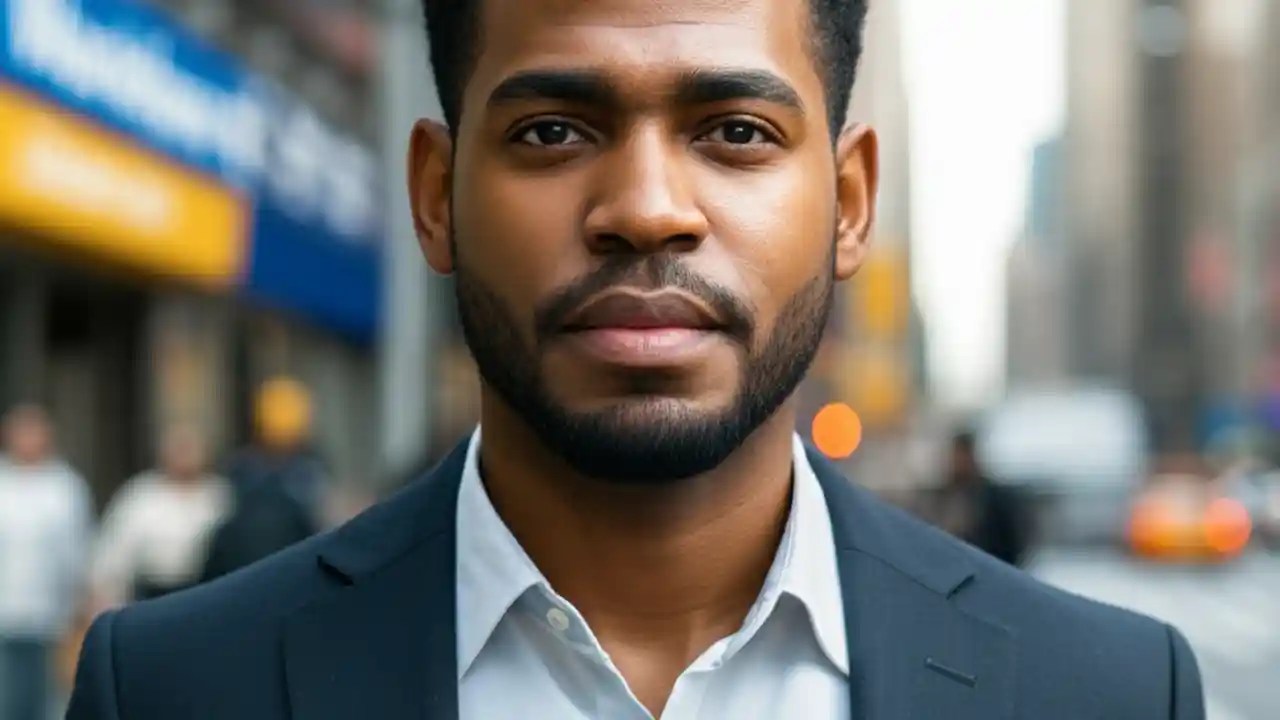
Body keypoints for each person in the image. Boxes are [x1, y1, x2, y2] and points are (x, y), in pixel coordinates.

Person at [68, 1, 1204, 718]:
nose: (647, 209)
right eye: (552, 132)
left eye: (735, 133)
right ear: (436, 197)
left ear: (849, 202)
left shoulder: (1107, 694)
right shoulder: (171, 689)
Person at [0, 405, 92, 720]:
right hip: (5, 614)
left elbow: (79, 550)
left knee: (49, 703)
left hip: (53, 617)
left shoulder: (65, 487)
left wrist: (80, 603)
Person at [89, 424, 231, 609]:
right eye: (178, 448)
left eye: (190, 448)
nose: (184, 455)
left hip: (207, 594)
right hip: (151, 596)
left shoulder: (220, 496)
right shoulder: (141, 495)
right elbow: (114, 555)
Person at [931, 430, 1031, 567]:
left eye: (963, 456)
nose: (958, 462)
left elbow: (1011, 540)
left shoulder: (995, 499)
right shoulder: (943, 497)